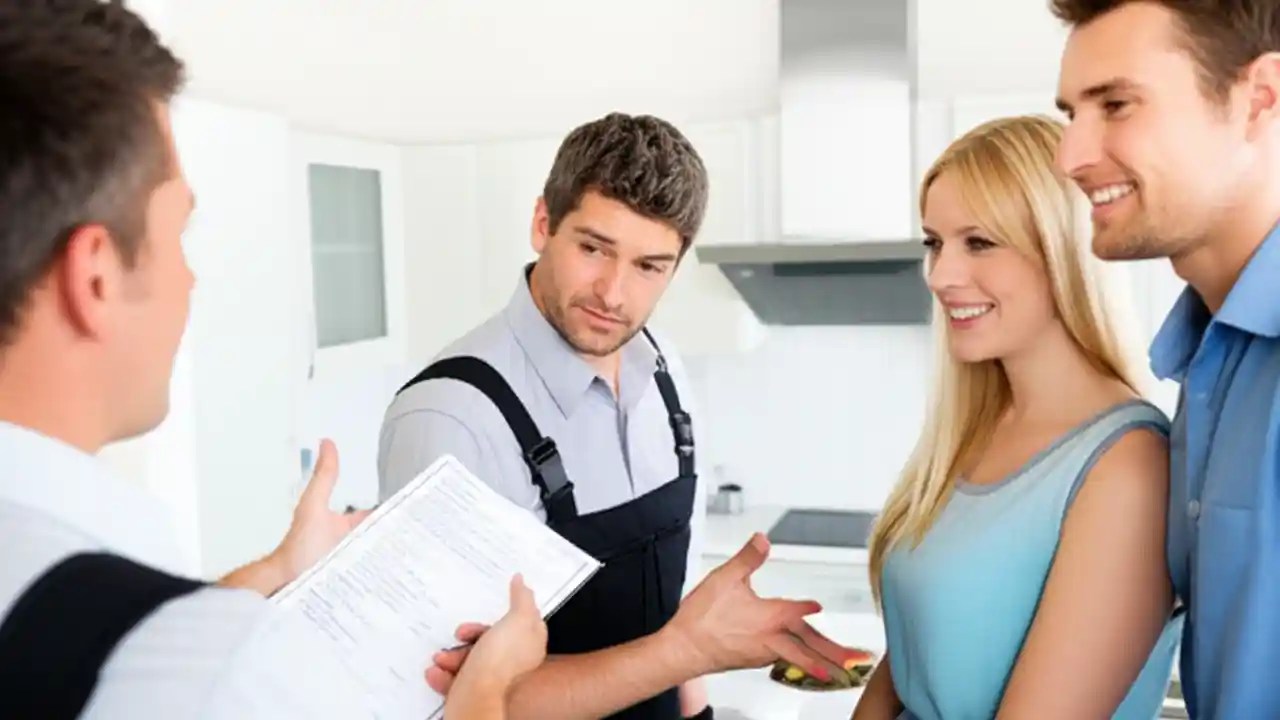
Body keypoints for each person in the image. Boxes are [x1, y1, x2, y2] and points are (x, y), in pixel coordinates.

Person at [0, 2, 540, 718]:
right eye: (176, 234)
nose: (190, 279)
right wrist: (487, 689)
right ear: (95, 277)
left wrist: (283, 569)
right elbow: (163, 664)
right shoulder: (221, 670)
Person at [379, 112, 856, 719]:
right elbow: (446, 702)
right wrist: (689, 650)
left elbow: (674, 608)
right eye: (593, 248)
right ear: (542, 223)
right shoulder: (450, 419)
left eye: (648, 266)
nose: (613, 293)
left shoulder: (666, 374)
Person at [850, 116, 1184, 720]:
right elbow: (905, 665)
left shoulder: (1126, 467)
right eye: (934, 242)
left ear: (1062, 250)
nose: (941, 275)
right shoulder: (971, 429)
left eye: (979, 242)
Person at [1051, 2, 1280, 717]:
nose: (1071, 158)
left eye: (1116, 105)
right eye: (1070, 115)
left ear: (1259, 99)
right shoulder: (1209, 361)